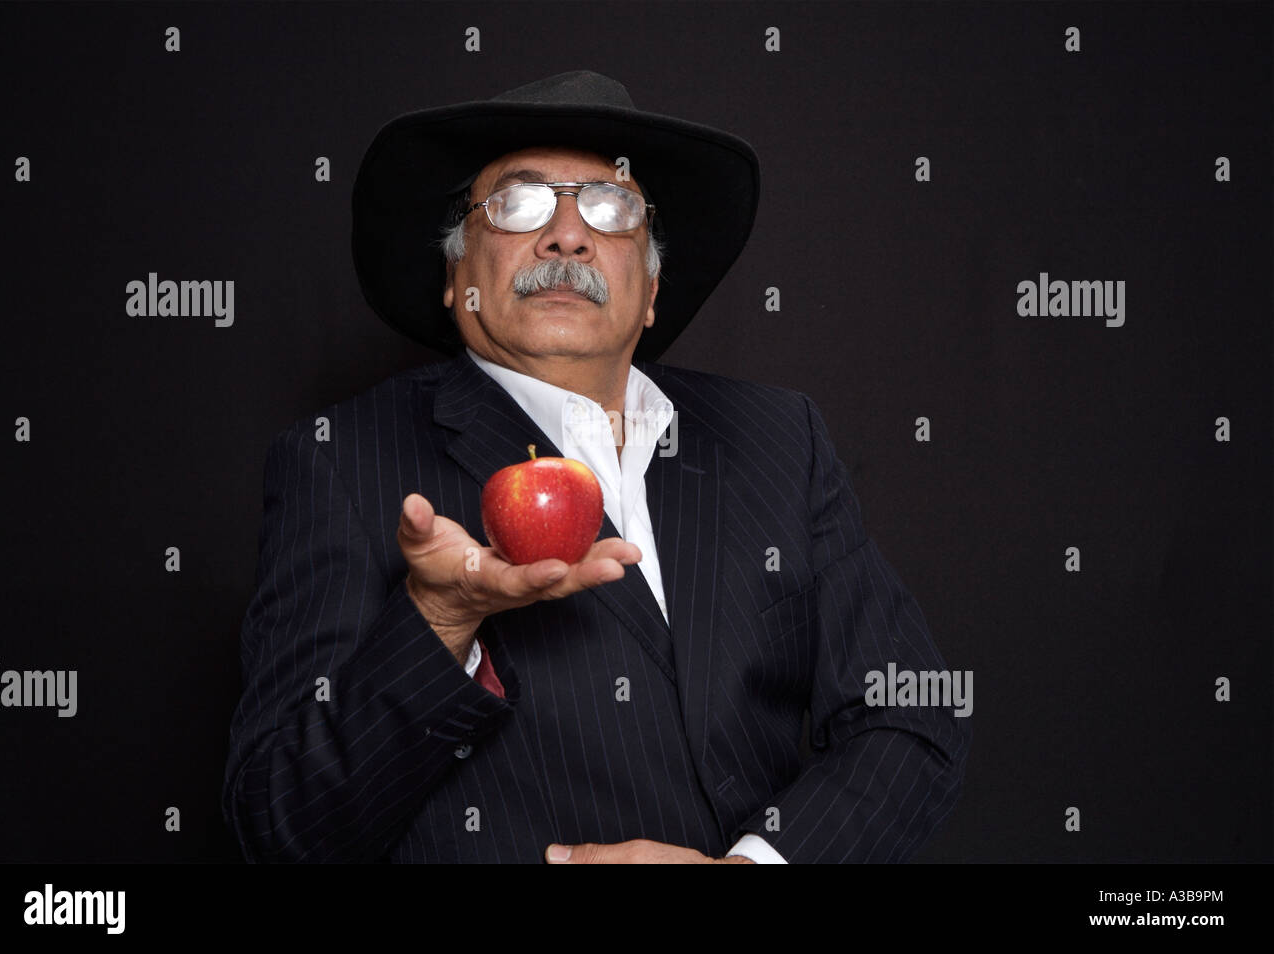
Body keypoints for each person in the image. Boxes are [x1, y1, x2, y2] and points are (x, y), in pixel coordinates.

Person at [221, 70, 971, 863]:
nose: (568, 236)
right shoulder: (341, 462)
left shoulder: (778, 438)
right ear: (456, 279)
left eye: (611, 208)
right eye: (519, 204)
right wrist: (438, 624)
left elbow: (909, 714)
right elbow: (280, 825)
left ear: (649, 289)